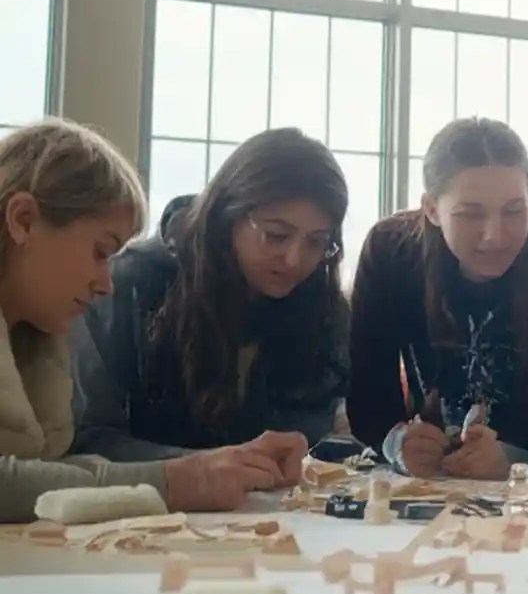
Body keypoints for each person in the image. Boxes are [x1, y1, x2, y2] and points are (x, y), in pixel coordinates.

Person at [0, 119, 306, 522]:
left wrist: (188, 473)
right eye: (100, 251)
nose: (106, 284)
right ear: (23, 220)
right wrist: (174, 482)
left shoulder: (33, 338)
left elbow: (45, 474)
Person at [71, 128, 351, 460]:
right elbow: (89, 439)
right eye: (276, 236)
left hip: (274, 509)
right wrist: (206, 470)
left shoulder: (321, 307)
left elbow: (316, 431)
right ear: (227, 215)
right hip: (142, 507)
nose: (294, 259)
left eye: (316, 242)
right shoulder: (128, 284)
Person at [348, 117, 528, 480]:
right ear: (432, 209)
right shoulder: (391, 253)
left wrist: (517, 459)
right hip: (426, 479)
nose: (494, 235)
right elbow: (366, 392)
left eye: (514, 210)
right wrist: (396, 442)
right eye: (470, 214)